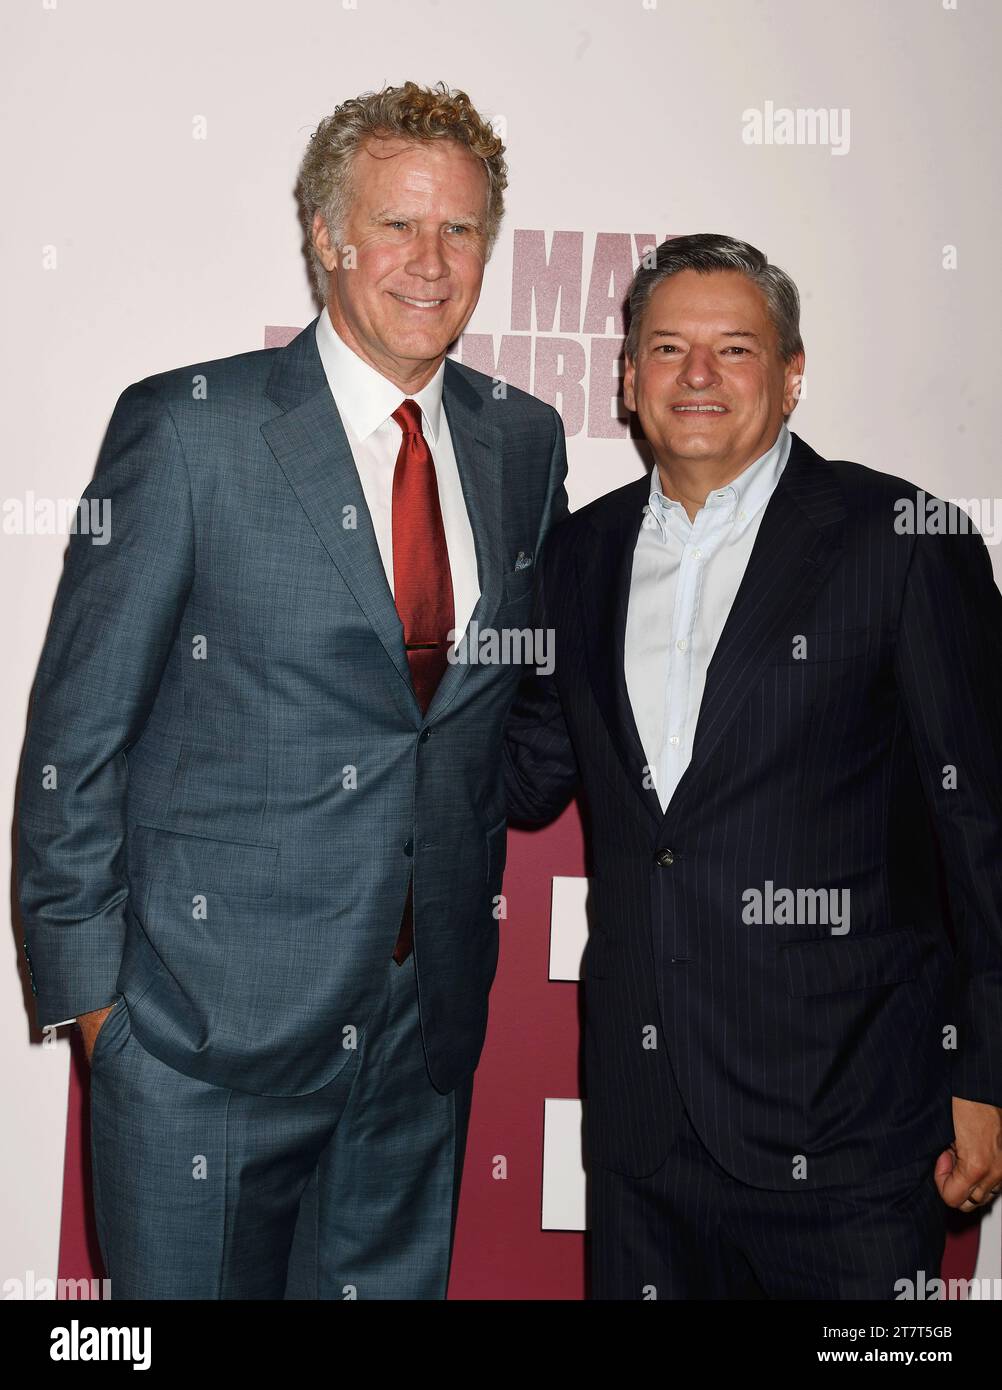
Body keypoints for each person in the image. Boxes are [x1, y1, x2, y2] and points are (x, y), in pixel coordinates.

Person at [18, 80, 567, 1300]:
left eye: (461, 229)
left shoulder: (521, 440)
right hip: (197, 1042)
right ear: (326, 238)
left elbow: (512, 704)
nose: (431, 262)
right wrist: (102, 1021)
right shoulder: (190, 430)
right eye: (396, 225)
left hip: (419, 1044)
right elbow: (76, 737)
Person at [504, 233, 1002, 1299]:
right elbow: (525, 767)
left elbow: (987, 832)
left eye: (734, 349)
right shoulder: (577, 557)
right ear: (627, 380)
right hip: (644, 1138)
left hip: (856, 1134)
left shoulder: (903, 538)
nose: (697, 376)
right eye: (667, 348)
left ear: (791, 376)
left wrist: (991, 1074)